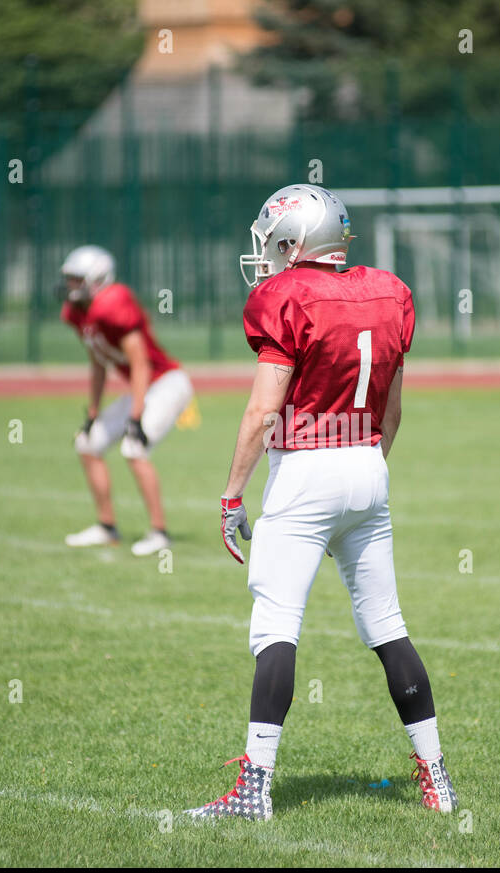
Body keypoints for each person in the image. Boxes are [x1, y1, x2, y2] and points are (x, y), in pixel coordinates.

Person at [185, 185, 457, 820]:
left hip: (305, 471)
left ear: (294, 241)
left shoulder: (284, 297)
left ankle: (253, 791)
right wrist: (363, 468)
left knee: (276, 627)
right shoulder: (389, 293)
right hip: (366, 465)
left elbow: (261, 413)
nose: (266, 256)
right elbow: (392, 408)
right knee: (387, 626)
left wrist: (230, 495)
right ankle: (437, 778)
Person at [58, 245, 194, 557]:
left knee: (134, 447)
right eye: (70, 279)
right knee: (87, 444)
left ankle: (159, 532)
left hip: (166, 383)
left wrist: (135, 417)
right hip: (144, 386)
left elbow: (141, 363)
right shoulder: (76, 313)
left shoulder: (113, 303)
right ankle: (107, 527)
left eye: (78, 280)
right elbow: (97, 363)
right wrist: (92, 413)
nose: (71, 287)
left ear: (98, 279)